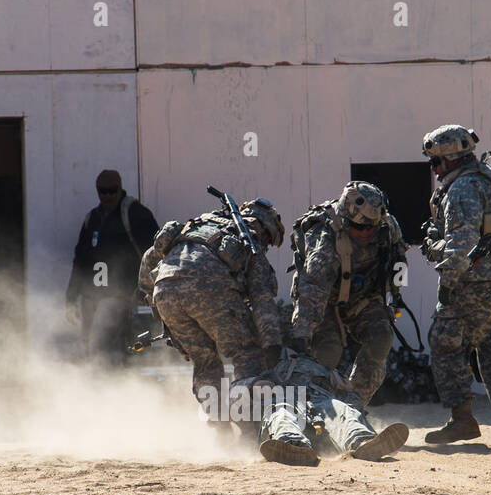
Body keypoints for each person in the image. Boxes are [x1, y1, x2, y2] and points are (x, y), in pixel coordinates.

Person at [420, 125, 491, 447]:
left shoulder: (463, 189)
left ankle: (462, 420)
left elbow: (461, 246)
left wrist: (436, 255)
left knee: (446, 344)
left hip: (475, 283)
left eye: (435, 163)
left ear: (449, 160)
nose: (434, 170)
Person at [141, 197, 284, 423]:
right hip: (210, 289)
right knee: (247, 352)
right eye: (269, 239)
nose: (266, 245)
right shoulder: (249, 241)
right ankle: (250, 429)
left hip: (165, 292)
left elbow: (149, 260)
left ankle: (219, 429)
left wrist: (153, 300)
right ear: (264, 229)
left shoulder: (196, 225)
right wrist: (271, 342)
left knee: (204, 360)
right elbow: (262, 298)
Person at [288, 181, 408, 406]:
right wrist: (303, 331)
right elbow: (313, 287)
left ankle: (354, 405)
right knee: (328, 352)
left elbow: (400, 264)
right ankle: (318, 409)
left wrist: (395, 298)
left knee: (381, 338)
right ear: (344, 219)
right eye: (359, 227)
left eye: (370, 227)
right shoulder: (325, 235)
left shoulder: (387, 228)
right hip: (325, 302)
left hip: (363, 298)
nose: (366, 232)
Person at [65, 169, 157, 364]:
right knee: (91, 344)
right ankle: (97, 384)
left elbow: (154, 254)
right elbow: (80, 259)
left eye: (112, 191)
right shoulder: (93, 219)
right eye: (102, 191)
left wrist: (146, 290)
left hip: (122, 295)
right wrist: (71, 298)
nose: (107, 196)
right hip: (92, 295)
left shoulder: (135, 214)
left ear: (120, 188)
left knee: (107, 344)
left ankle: (113, 381)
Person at [258, 352, 409, 466]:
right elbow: (237, 390)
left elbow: (353, 400)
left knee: (341, 408)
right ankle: (291, 446)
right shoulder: (270, 372)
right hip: (286, 400)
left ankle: (362, 442)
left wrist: (348, 395)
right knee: (281, 412)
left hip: (322, 404)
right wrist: (254, 384)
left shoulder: (330, 373)